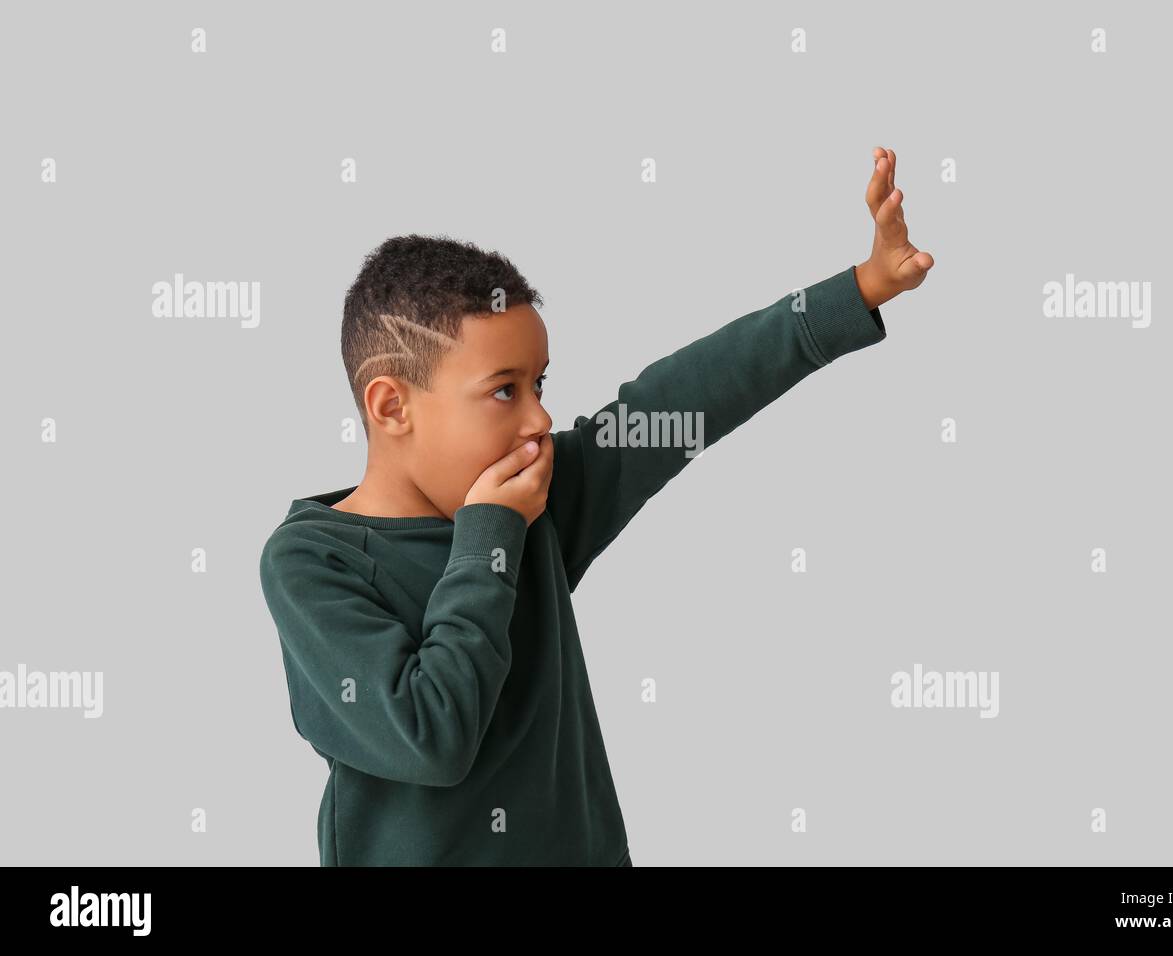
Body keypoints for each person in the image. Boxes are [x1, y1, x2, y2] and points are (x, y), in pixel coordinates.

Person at [258, 147, 933, 865]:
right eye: (503, 390)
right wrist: (491, 533)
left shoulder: (538, 500)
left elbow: (679, 401)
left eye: (539, 387)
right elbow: (430, 736)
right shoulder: (312, 563)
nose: (538, 422)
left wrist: (857, 290)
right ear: (393, 406)